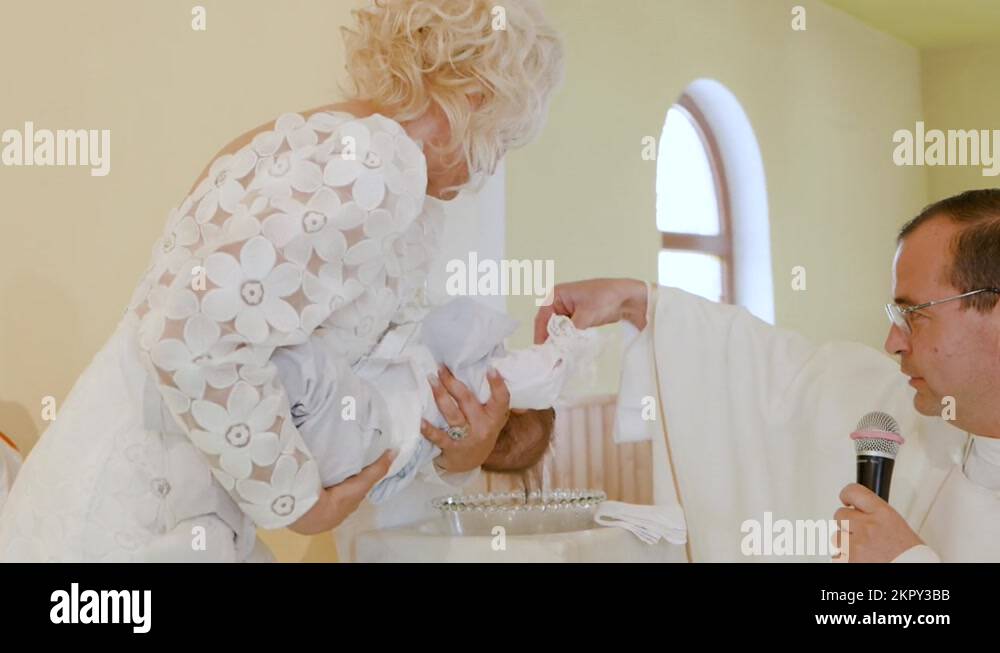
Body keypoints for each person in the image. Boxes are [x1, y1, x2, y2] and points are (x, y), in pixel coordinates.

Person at [0, 0, 565, 562]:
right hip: (129, 529)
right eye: (502, 142)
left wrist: (456, 452)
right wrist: (299, 504)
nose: (486, 171)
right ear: (475, 99)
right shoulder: (378, 164)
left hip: (124, 508)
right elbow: (187, 338)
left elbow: (286, 364)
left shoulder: (308, 143)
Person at [537, 189, 1000, 562]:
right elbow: (780, 380)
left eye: (914, 314)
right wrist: (634, 301)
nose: (894, 342)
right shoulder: (908, 410)